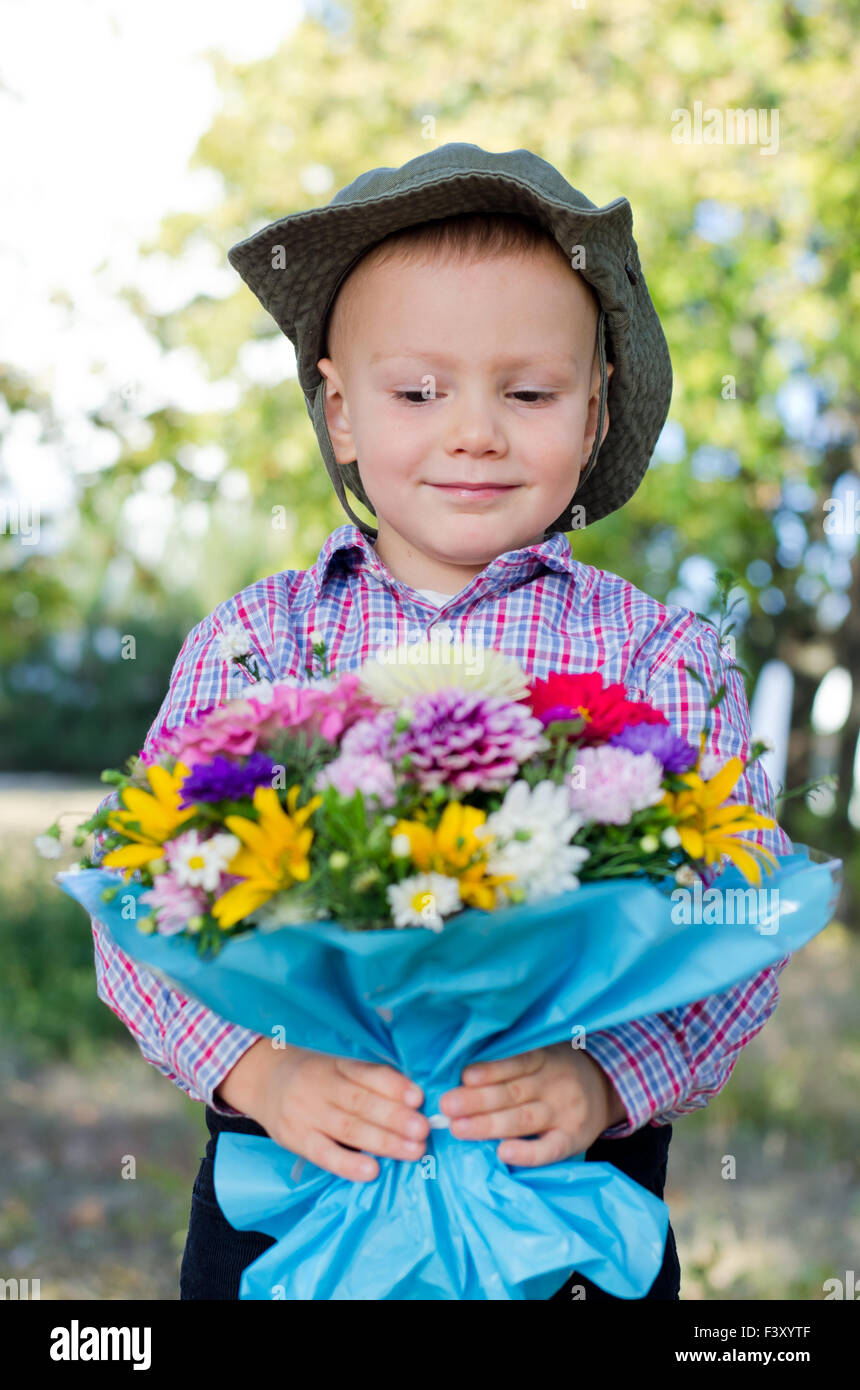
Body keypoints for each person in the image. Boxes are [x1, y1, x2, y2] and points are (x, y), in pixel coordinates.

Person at [89, 143, 792, 1301]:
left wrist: (605, 1079)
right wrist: (258, 1074)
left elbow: (736, 916)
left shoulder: (663, 657)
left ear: (593, 410)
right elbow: (136, 900)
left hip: (558, 1187)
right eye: (418, 392)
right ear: (341, 411)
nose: (474, 430)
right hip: (301, 1167)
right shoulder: (258, 644)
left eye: (526, 392)